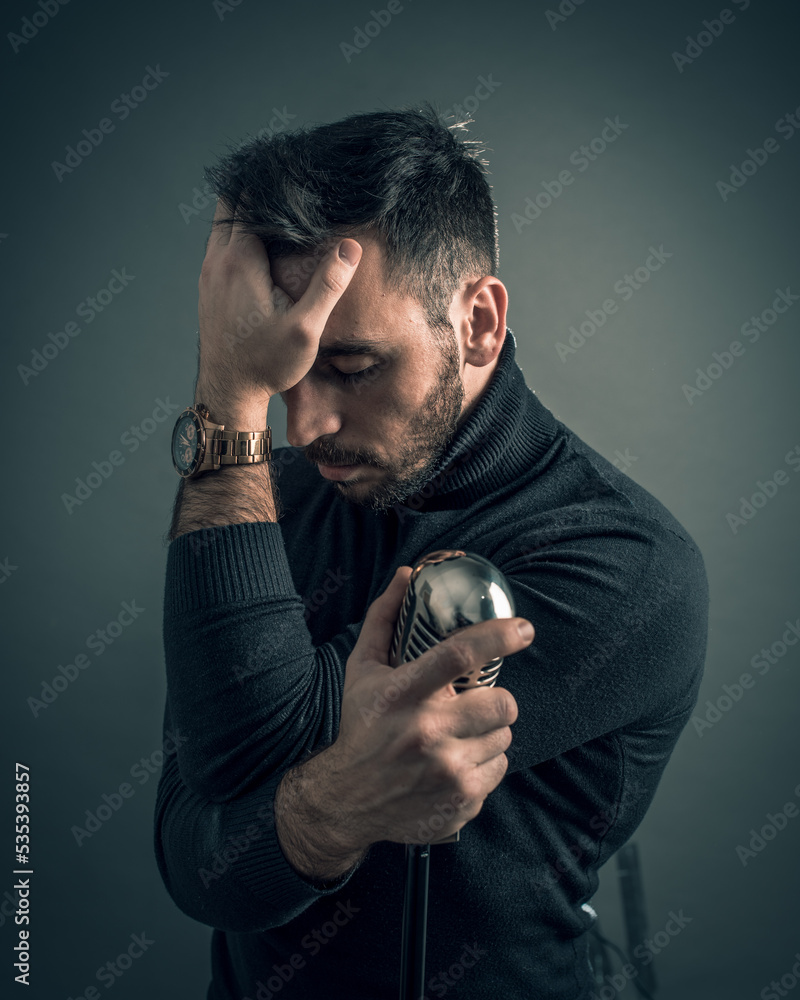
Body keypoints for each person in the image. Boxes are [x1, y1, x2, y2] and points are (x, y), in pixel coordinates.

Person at [154, 102, 709, 1000]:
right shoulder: (256, 493)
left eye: (353, 367)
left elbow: (248, 768)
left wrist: (227, 409)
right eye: (278, 371)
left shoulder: (621, 564)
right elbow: (196, 861)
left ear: (480, 324)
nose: (306, 424)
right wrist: (229, 398)